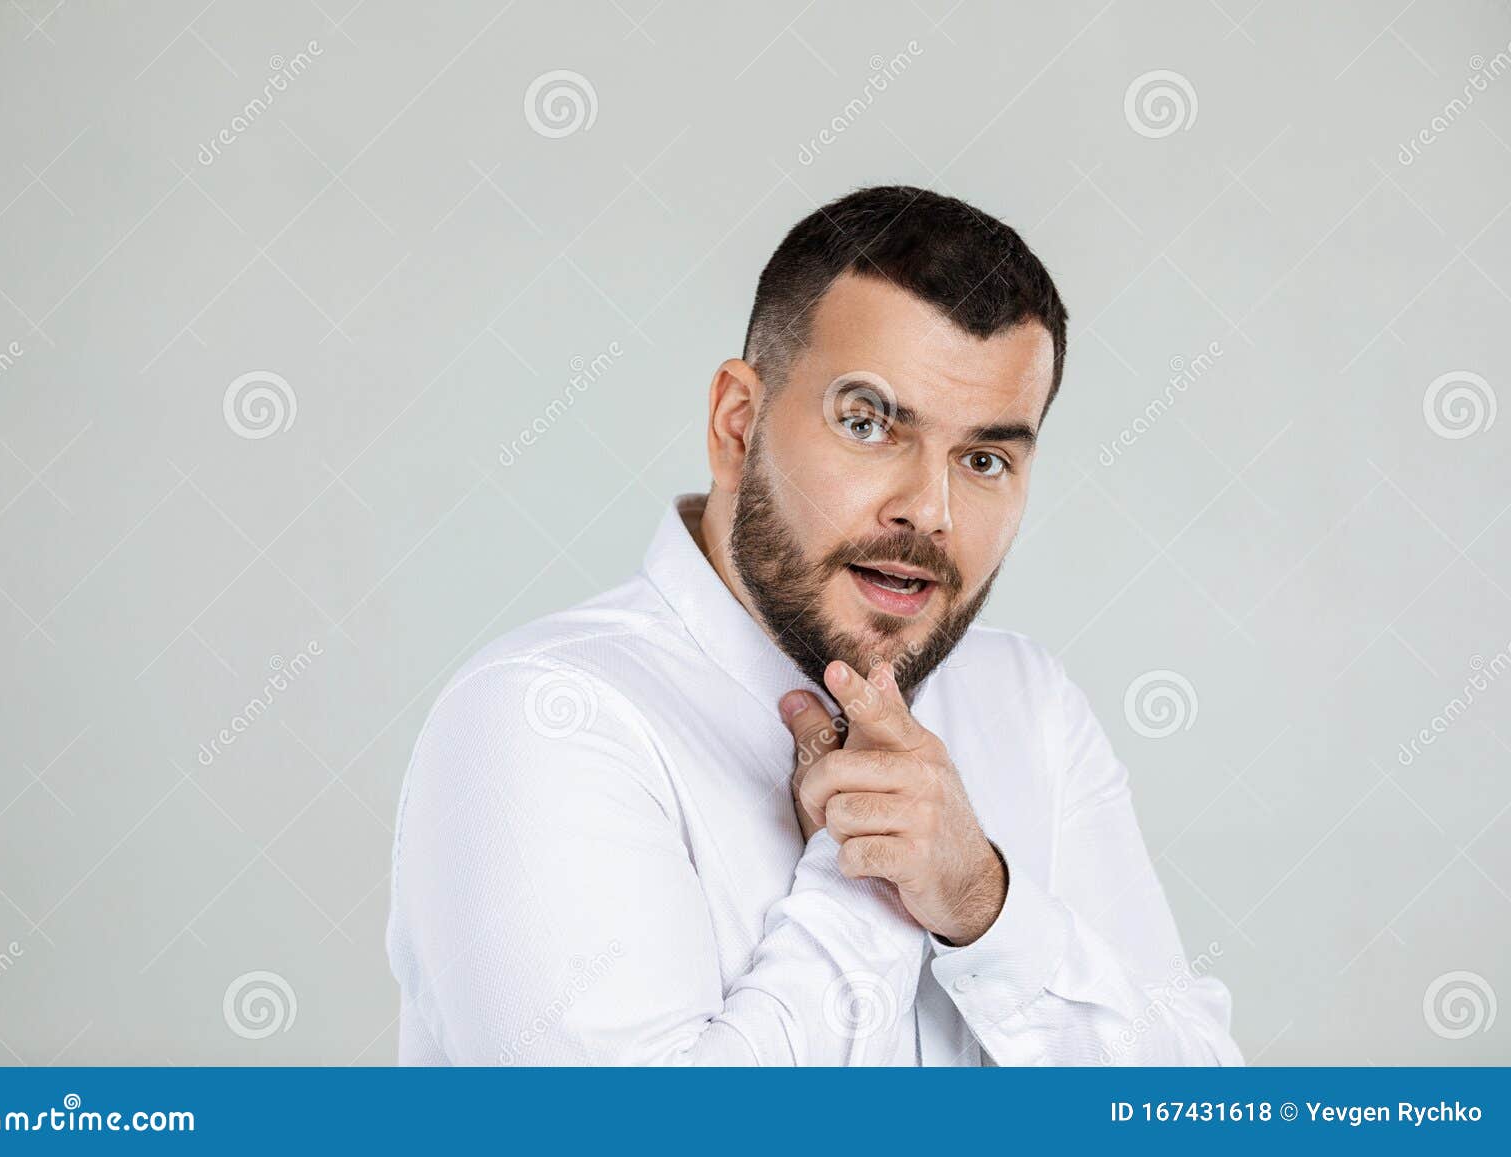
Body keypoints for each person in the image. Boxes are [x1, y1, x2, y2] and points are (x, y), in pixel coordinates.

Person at [386, 185, 1242, 1065]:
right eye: (869, 424)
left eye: (983, 458)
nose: (930, 511)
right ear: (737, 424)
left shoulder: (1028, 701)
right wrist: (858, 880)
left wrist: (983, 902)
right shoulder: (540, 718)